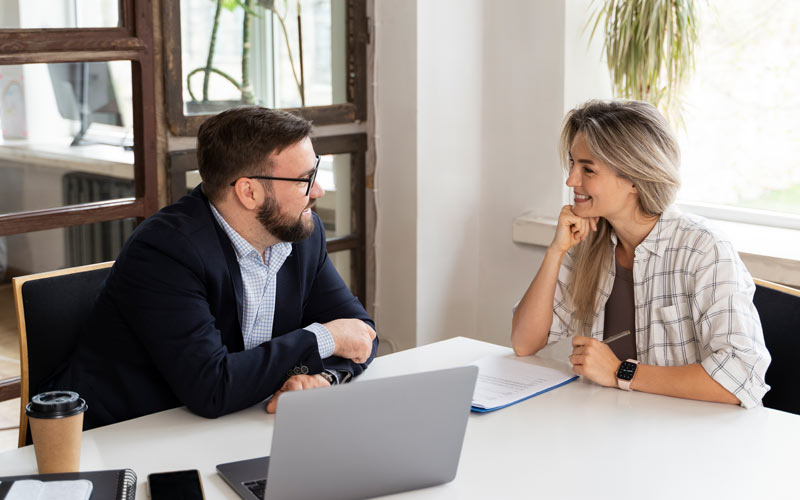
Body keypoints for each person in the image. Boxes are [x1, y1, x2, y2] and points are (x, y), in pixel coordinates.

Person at [50, 107, 378, 429]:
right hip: (124, 440)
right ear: (249, 192)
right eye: (304, 180)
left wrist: (324, 377)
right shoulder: (165, 251)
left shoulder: (302, 234)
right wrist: (325, 337)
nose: (317, 192)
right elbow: (212, 388)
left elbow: (361, 333)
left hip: (234, 424)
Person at [511, 100, 770, 408]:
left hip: (693, 438)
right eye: (572, 164)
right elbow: (524, 343)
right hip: (616, 427)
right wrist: (555, 252)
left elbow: (742, 377)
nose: (571, 180)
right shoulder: (588, 243)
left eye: (587, 169)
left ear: (634, 177)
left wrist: (620, 372)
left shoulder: (703, 249)